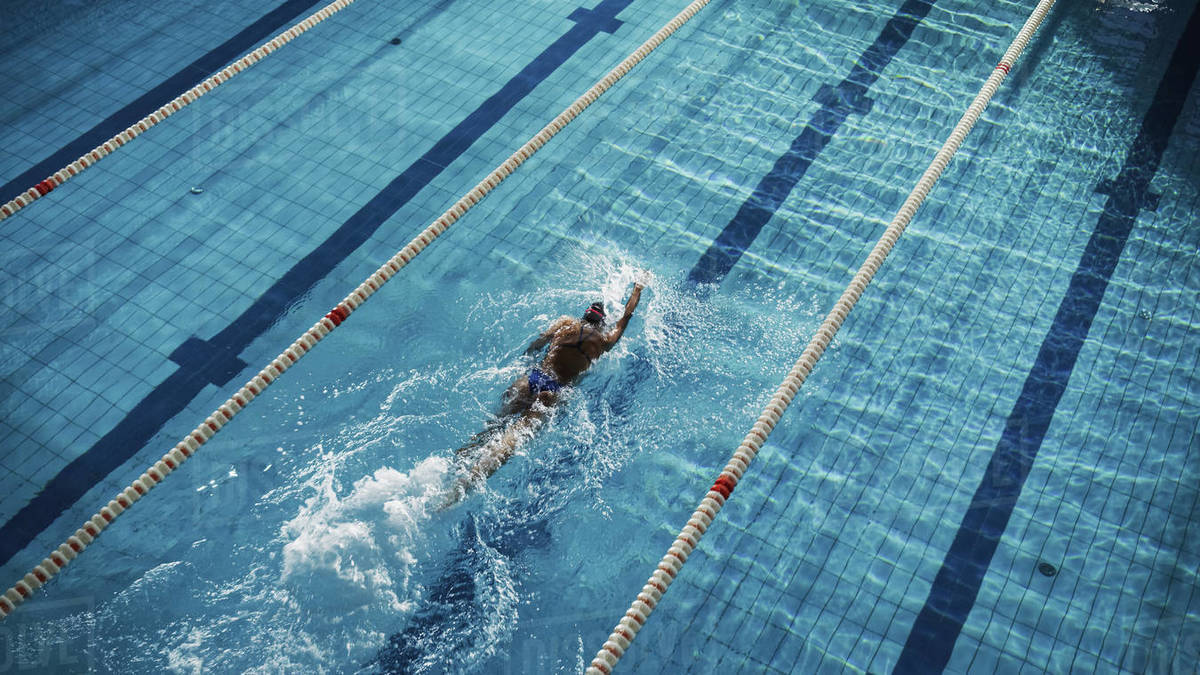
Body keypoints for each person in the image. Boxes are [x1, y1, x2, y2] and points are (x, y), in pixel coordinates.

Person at [442, 283, 645, 506]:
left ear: (584, 316)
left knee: (494, 428)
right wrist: (638, 289)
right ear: (602, 324)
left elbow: (535, 345)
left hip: (531, 380)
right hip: (552, 392)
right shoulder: (604, 342)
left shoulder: (566, 323)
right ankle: (462, 488)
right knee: (507, 446)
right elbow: (627, 315)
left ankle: (454, 463)